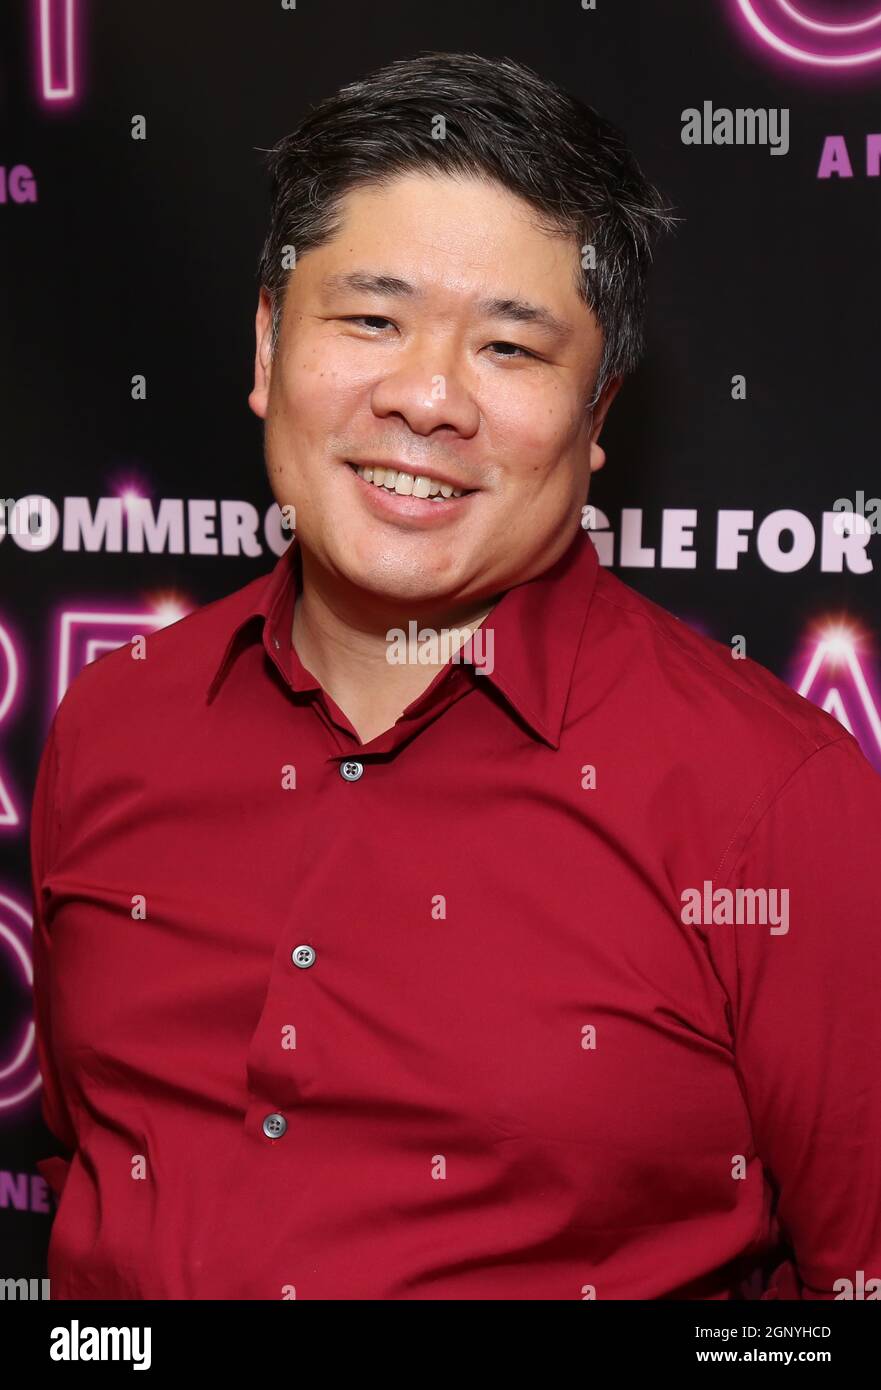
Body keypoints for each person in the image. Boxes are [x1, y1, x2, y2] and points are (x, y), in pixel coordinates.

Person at [30, 51, 881, 1300]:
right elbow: (81, 1164)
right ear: (268, 345)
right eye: (370, 320)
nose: (426, 397)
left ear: (596, 419)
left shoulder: (772, 804)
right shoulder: (112, 723)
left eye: (510, 350)